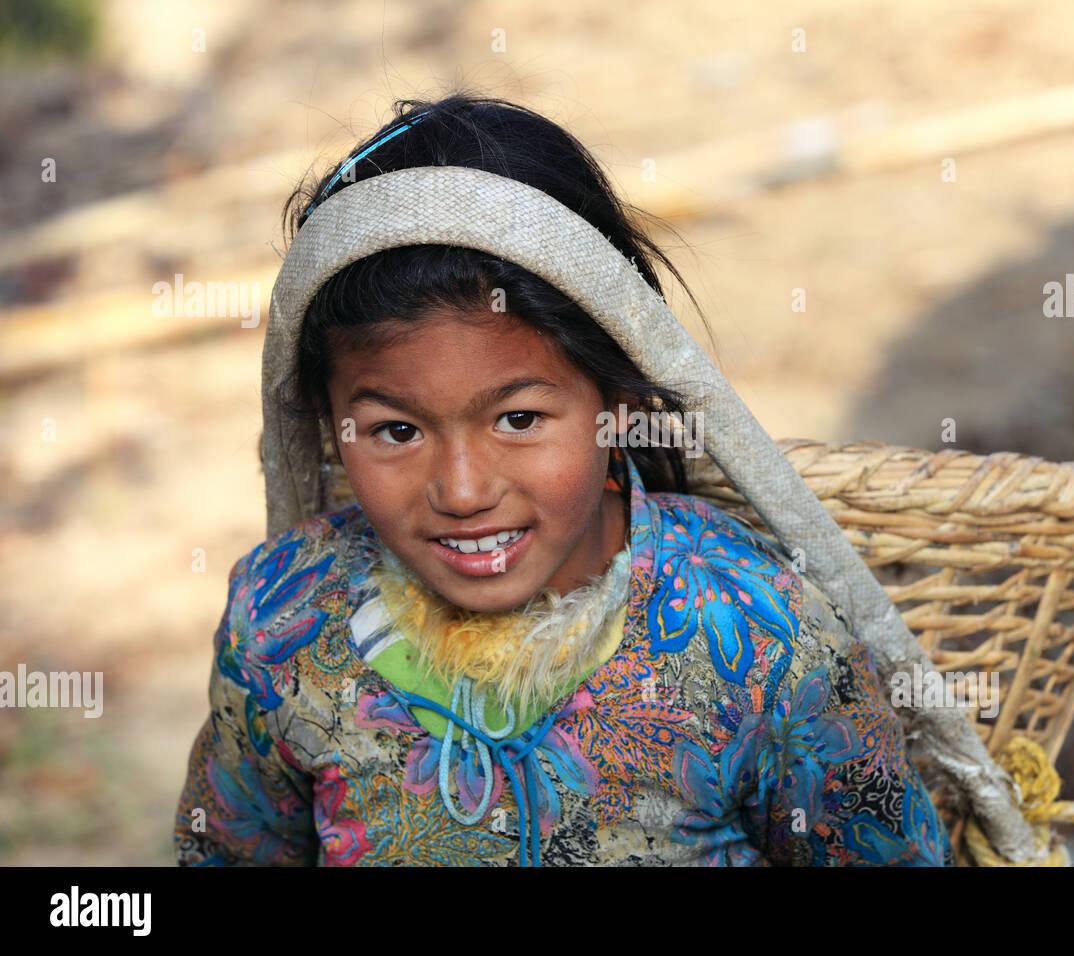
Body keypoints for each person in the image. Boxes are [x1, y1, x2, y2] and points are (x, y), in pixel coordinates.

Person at [173, 93, 955, 866]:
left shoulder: (754, 639)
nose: (464, 490)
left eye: (518, 419)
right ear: (329, 424)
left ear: (615, 398)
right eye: (396, 431)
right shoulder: (283, 622)